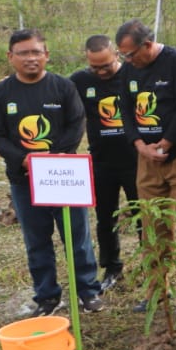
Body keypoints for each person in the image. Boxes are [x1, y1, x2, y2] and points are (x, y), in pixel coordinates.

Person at [0, 29, 104, 316]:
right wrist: (24, 160)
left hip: (64, 176)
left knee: (77, 236)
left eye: (36, 52)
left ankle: (88, 291)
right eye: (24, 53)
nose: (31, 58)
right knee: (37, 240)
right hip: (24, 179)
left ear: (46, 55)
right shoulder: (0, 94)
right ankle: (47, 296)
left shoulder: (63, 88)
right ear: (10, 57)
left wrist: (52, 159)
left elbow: (76, 124)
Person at [116, 19, 176, 316]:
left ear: (147, 45)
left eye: (130, 54)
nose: (127, 61)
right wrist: (138, 145)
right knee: (153, 228)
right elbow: (125, 109)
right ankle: (157, 291)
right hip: (147, 159)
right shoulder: (130, 70)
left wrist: (167, 143)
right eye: (123, 56)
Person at [70, 34, 138, 292]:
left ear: (117, 56)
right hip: (101, 161)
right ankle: (111, 266)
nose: (100, 71)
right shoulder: (79, 81)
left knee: (143, 215)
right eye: (94, 67)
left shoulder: (132, 74)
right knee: (105, 217)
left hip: (135, 160)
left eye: (106, 65)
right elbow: (56, 93)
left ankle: (150, 263)